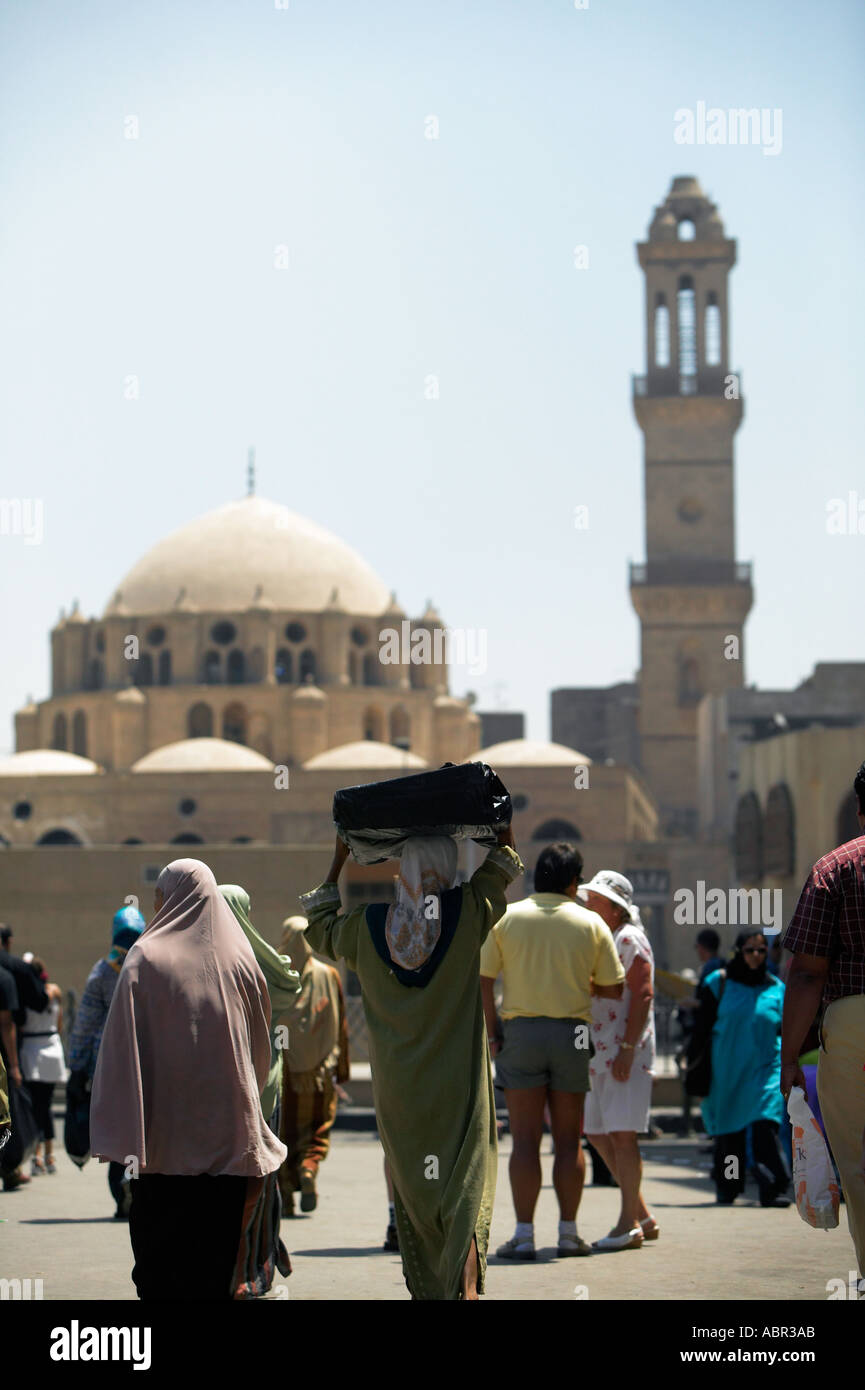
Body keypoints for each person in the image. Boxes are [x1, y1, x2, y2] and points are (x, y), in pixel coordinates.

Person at [302, 826, 523, 1300]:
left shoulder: (367, 925)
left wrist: (340, 860)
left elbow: (319, 925)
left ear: (403, 870)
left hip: (400, 1090)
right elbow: (503, 865)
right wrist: (501, 829)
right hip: (458, 1084)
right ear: (449, 868)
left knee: (418, 1189)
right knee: (464, 1183)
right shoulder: (468, 913)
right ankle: (466, 1287)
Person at [90, 859, 286, 1301]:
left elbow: (122, 1053)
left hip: (162, 1151)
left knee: (159, 1271)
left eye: (159, 897)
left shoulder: (144, 957)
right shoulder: (241, 959)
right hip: (227, 1149)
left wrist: (120, 1132)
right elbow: (258, 1049)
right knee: (212, 1267)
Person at [480, 841, 625, 1261]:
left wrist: (494, 1035)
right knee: (568, 1140)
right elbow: (615, 989)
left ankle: (523, 1235)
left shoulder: (507, 917)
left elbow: (485, 979)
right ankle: (567, 1233)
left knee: (524, 1141)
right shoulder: (590, 923)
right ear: (574, 882)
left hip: (520, 1033)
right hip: (572, 1036)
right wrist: (579, 983)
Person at [780, 758, 865, 1280]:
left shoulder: (835, 869)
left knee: (856, 1162)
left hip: (852, 1022)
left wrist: (789, 1058)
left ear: (859, 809)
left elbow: (808, 974)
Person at [218, 884, 300, 1298]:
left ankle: (244, 1266)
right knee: (259, 1186)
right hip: (263, 1094)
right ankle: (248, 1270)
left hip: (220, 1099)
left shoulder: (208, 958)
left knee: (237, 1185)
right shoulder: (257, 960)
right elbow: (290, 985)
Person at [581, 871, 657, 1250]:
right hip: (602, 1052)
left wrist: (628, 1049)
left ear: (613, 908)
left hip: (624, 1052)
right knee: (596, 1130)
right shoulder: (608, 937)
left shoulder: (629, 939)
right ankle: (640, 1211)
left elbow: (643, 994)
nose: (588, 903)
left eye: (595, 898)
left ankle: (629, 1224)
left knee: (622, 1137)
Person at [695, 930, 791, 1206]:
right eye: (750, 950)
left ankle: (773, 1185)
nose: (757, 956)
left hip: (766, 1070)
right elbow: (700, 1034)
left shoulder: (776, 989)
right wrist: (698, 1076)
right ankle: (730, 1185)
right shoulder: (718, 984)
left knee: (765, 1126)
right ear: (739, 952)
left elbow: (785, 1030)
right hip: (728, 1072)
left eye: (761, 951)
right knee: (730, 1136)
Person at [67, 904, 145, 1216]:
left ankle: (120, 1189)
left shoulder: (102, 970)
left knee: (117, 1130)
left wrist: (76, 1066)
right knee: (141, 1130)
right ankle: (136, 1185)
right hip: (146, 1062)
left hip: (108, 1064)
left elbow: (85, 1023)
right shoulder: (151, 965)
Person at [275, 915, 349, 1217]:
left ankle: (286, 1197)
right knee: (316, 1132)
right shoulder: (329, 975)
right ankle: (308, 1169)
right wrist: (340, 1069)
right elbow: (341, 1025)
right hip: (318, 1075)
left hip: (284, 1074)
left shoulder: (277, 977)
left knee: (282, 1135)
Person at [19, 957, 67, 1175]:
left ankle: (37, 1156)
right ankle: (49, 1155)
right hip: (51, 1050)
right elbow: (59, 1025)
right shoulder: (54, 993)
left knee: (35, 1108)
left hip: (31, 1050)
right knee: (45, 1106)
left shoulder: (25, 995)